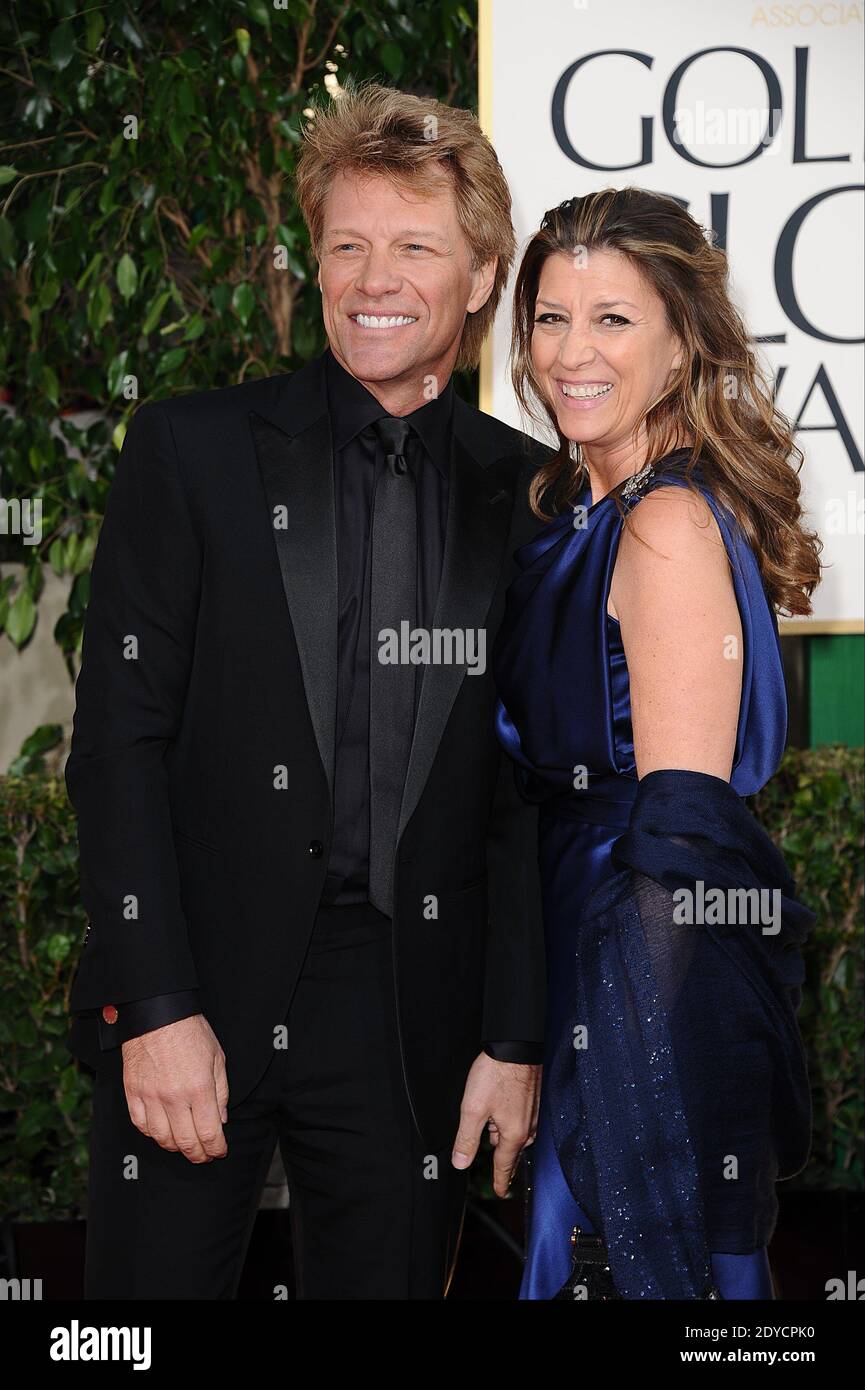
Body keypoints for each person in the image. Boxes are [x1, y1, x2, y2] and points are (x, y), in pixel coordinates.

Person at [65, 81, 551, 1300]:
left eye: (413, 247)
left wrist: (511, 1038)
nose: (372, 277)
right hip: (199, 983)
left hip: (407, 1014)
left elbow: (526, 800)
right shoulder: (191, 450)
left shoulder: (535, 496)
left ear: (482, 276)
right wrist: (157, 1003)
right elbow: (117, 742)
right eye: (346, 244)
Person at [493, 187, 822, 1300]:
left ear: (683, 342)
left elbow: (679, 849)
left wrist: (608, 1112)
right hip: (586, 974)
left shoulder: (664, 524)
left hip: (637, 1009)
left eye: (612, 319)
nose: (570, 352)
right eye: (549, 317)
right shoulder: (583, 504)